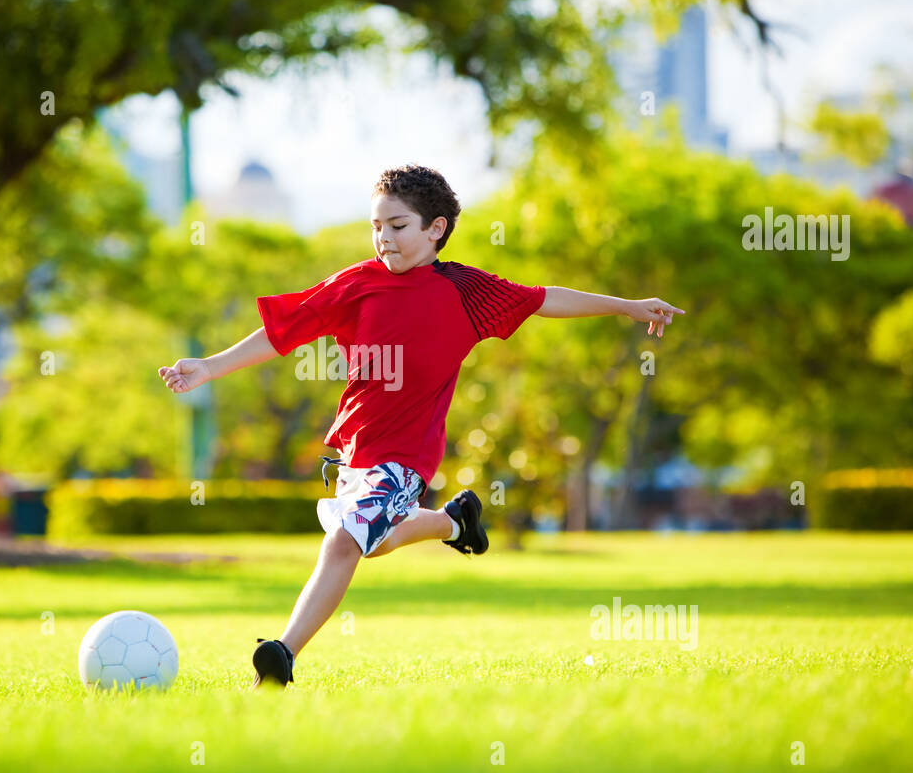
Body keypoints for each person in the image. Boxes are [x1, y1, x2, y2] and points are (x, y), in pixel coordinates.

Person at [158, 164, 683, 688]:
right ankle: (454, 522)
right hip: (353, 453)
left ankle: (282, 654)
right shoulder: (356, 284)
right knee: (376, 542)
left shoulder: (467, 291)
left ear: (435, 229)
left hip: (406, 457)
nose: (384, 238)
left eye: (398, 225)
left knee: (344, 542)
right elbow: (283, 332)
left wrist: (629, 307)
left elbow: (544, 298)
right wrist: (208, 366)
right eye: (376, 226)